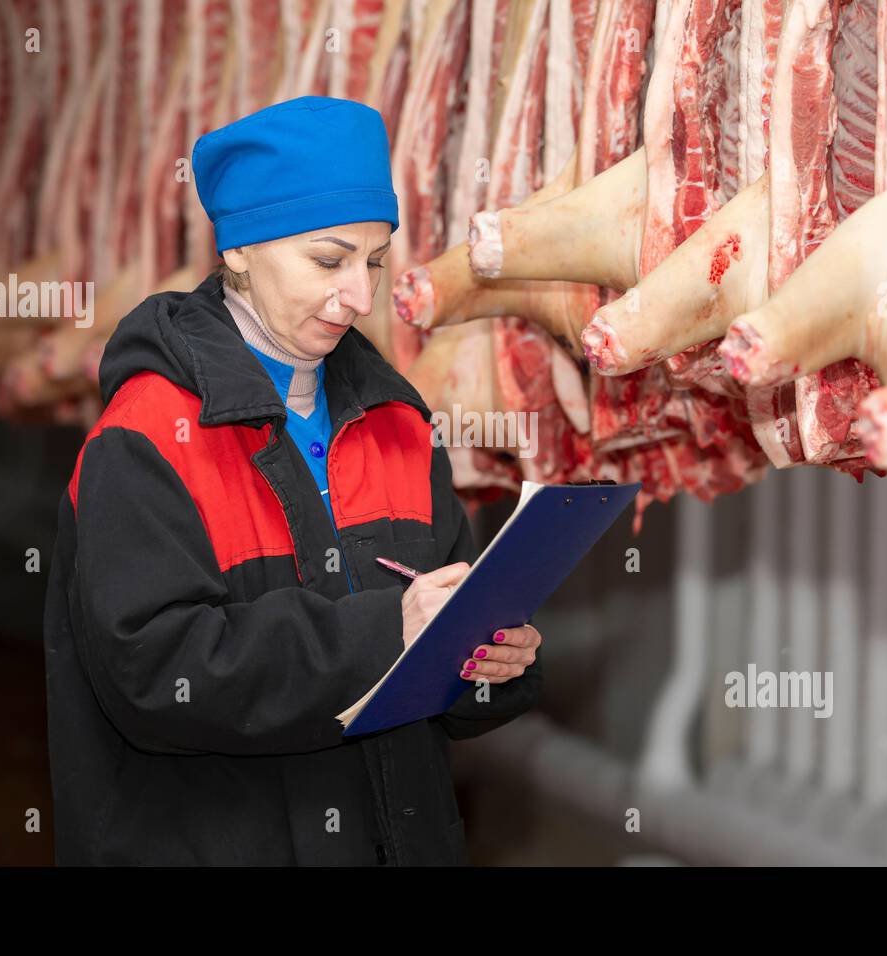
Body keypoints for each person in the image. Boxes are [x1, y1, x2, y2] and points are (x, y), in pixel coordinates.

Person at [41, 95, 543, 866]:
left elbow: (438, 682)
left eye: (374, 261)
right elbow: (156, 679)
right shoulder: (146, 438)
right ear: (238, 250)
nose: (361, 297)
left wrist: (487, 664)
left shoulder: (399, 427)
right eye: (329, 259)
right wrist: (390, 631)